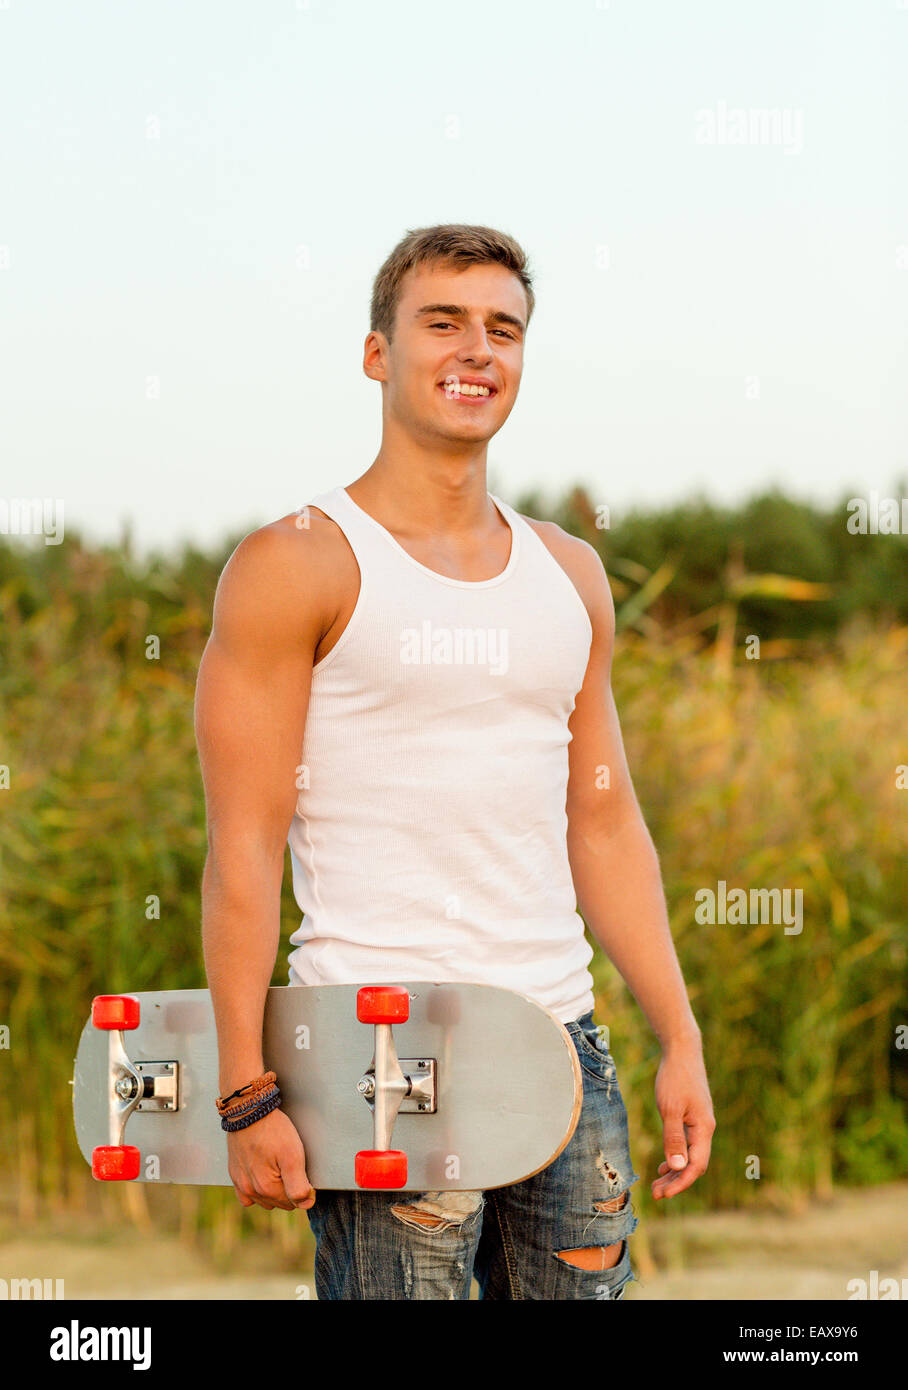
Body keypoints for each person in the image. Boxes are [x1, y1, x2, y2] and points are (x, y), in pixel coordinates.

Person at [194, 223, 716, 1300]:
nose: (476, 349)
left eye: (502, 330)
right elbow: (241, 845)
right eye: (442, 323)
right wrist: (244, 1091)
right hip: (379, 1054)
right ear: (377, 352)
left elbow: (603, 823)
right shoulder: (296, 562)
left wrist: (678, 1031)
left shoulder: (569, 574)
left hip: (562, 1048)